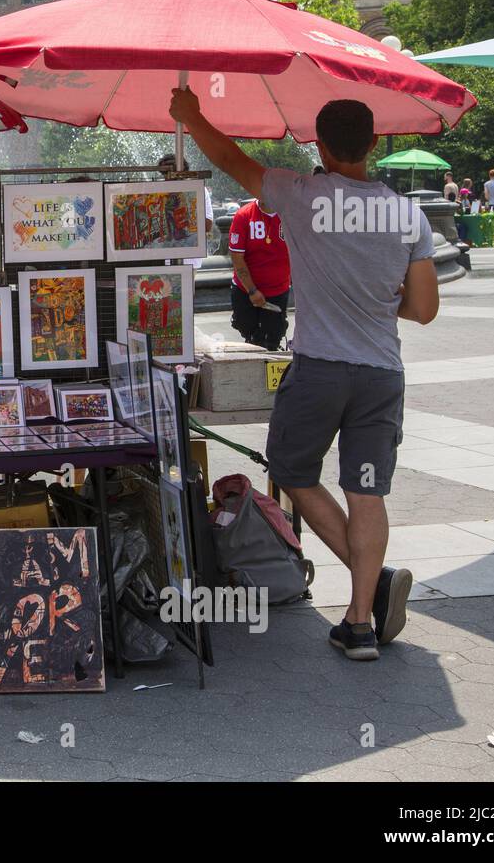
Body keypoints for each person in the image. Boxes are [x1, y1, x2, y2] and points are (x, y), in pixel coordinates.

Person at [170, 87, 437, 662]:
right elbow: (423, 309)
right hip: (381, 375)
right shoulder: (407, 213)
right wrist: (374, 298)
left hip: (318, 369)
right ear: (373, 144)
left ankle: (373, 583)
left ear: (319, 142)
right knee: (367, 491)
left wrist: (192, 116)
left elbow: (230, 160)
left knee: (293, 471)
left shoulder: (300, 193)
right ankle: (361, 620)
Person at [227, 197, 291, 350]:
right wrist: (252, 290)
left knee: (272, 338)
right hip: (246, 290)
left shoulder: (290, 215)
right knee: (249, 334)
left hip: (278, 290)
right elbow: (236, 257)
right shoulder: (244, 216)